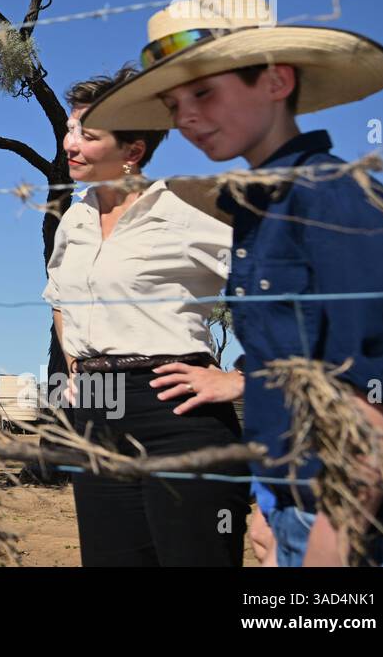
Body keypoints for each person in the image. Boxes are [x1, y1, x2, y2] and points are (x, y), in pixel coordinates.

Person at [82, 0, 383, 566]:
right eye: (172, 102)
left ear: (276, 81)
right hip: (296, 511)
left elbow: (382, 400)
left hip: (367, 530)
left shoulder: (339, 206)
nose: (186, 116)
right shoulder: (259, 212)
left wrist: (327, 549)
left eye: (204, 92)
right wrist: (270, 509)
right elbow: (292, 373)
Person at [43, 66, 250, 566]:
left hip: (174, 409)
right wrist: (75, 370)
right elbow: (59, 299)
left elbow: (288, 286)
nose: (70, 144)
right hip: (96, 412)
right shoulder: (74, 216)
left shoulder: (189, 207)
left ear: (132, 151)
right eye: (70, 129)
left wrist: (242, 378)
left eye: (87, 135)